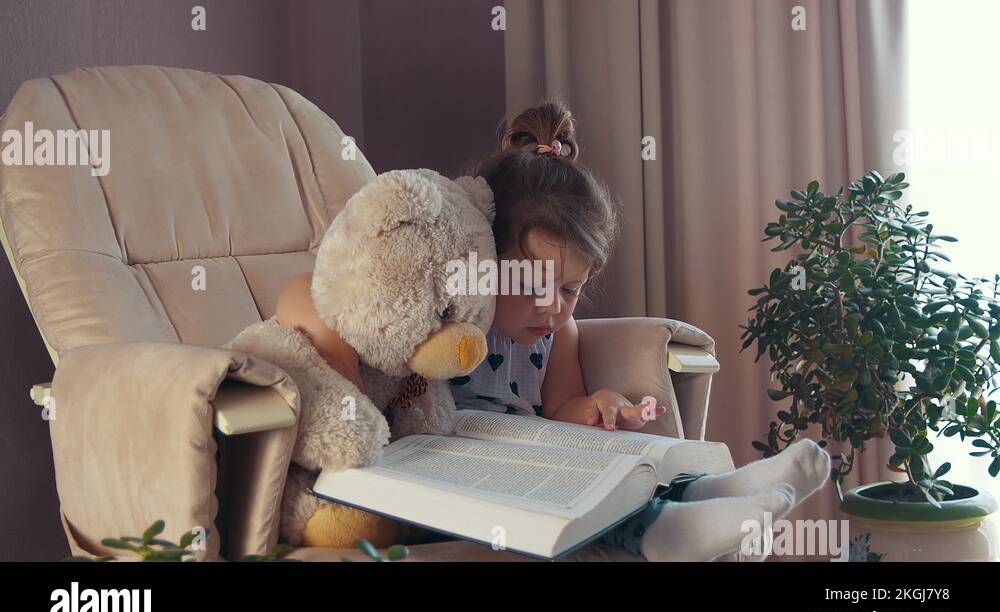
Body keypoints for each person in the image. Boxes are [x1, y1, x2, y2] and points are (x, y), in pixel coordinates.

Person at [275, 101, 830, 561]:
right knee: (583, 513)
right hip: (450, 481)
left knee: (617, 474)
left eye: (569, 290)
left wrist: (599, 407)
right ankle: (667, 535)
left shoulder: (556, 335)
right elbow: (311, 293)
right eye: (534, 284)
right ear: (487, 258)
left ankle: (712, 488)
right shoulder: (447, 317)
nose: (552, 309)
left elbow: (562, 407)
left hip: (529, 465)